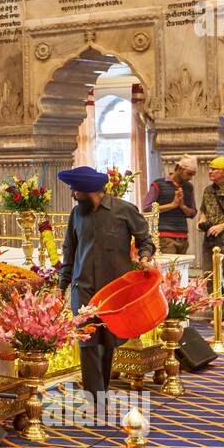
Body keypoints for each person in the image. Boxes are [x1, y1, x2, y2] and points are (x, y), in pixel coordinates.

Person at [58, 166, 154, 404]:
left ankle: (101, 390)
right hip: (83, 290)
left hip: (114, 292)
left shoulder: (125, 210)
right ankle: (95, 397)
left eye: (75, 189)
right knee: (87, 342)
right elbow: (69, 251)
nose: (72, 194)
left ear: (89, 190)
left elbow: (145, 240)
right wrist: (62, 285)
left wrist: (143, 258)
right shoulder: (76, 214)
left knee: (108, 342)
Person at [198, 156, 224, 325]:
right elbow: (203, 210)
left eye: (214, 169)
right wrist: (201, 221)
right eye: (210, 168)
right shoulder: (207, 190)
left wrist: (223, 225)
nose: (210, 171)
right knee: (210, 277)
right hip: (209, 241)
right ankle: (217, 311)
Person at [142, 156, 197, 254]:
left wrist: (182, 206)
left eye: (192, 175)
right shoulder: (158, 184)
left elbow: (193, 213)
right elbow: (147, 208)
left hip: (183, 236)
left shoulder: (189, 187)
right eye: (188, 174)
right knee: (169, 268)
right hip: (164, 236)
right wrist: (172, 205)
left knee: (181, 269)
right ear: (179, 169)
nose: (190, 178)